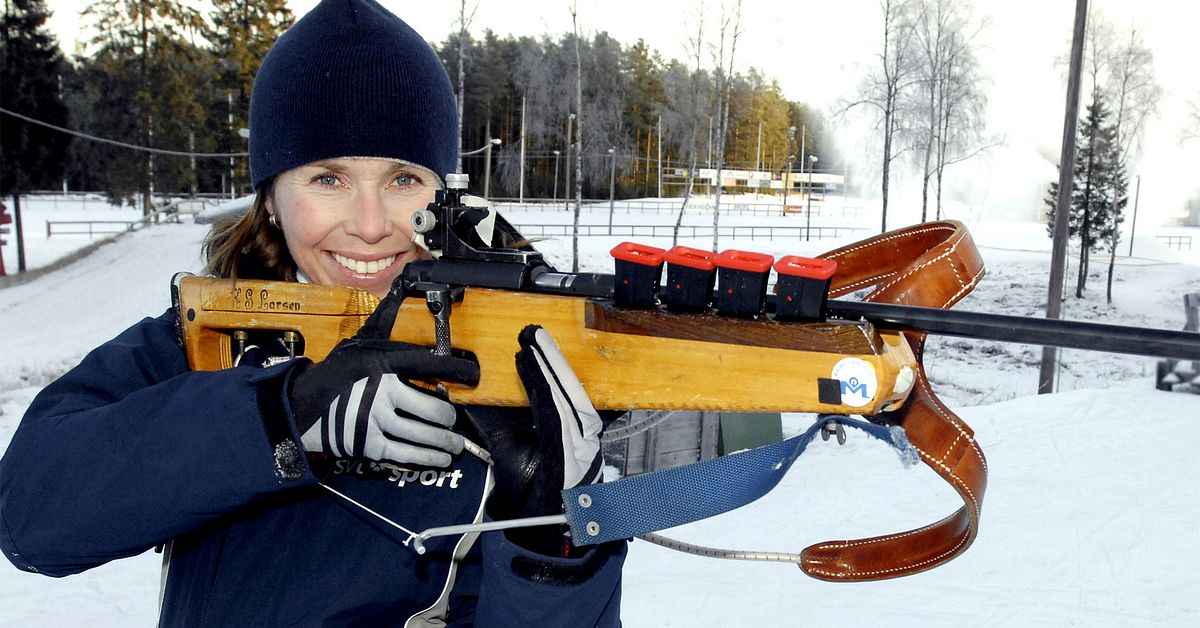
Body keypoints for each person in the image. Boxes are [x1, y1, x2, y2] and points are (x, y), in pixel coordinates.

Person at [0, 0, 626, 625]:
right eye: (329, 179)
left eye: (404, 179)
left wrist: (555, 552)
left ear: (446, 194)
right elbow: (31, 519)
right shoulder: (216, 341)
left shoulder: (510, 358)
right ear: (270, 198)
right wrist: (280, 414)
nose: (373, 225)